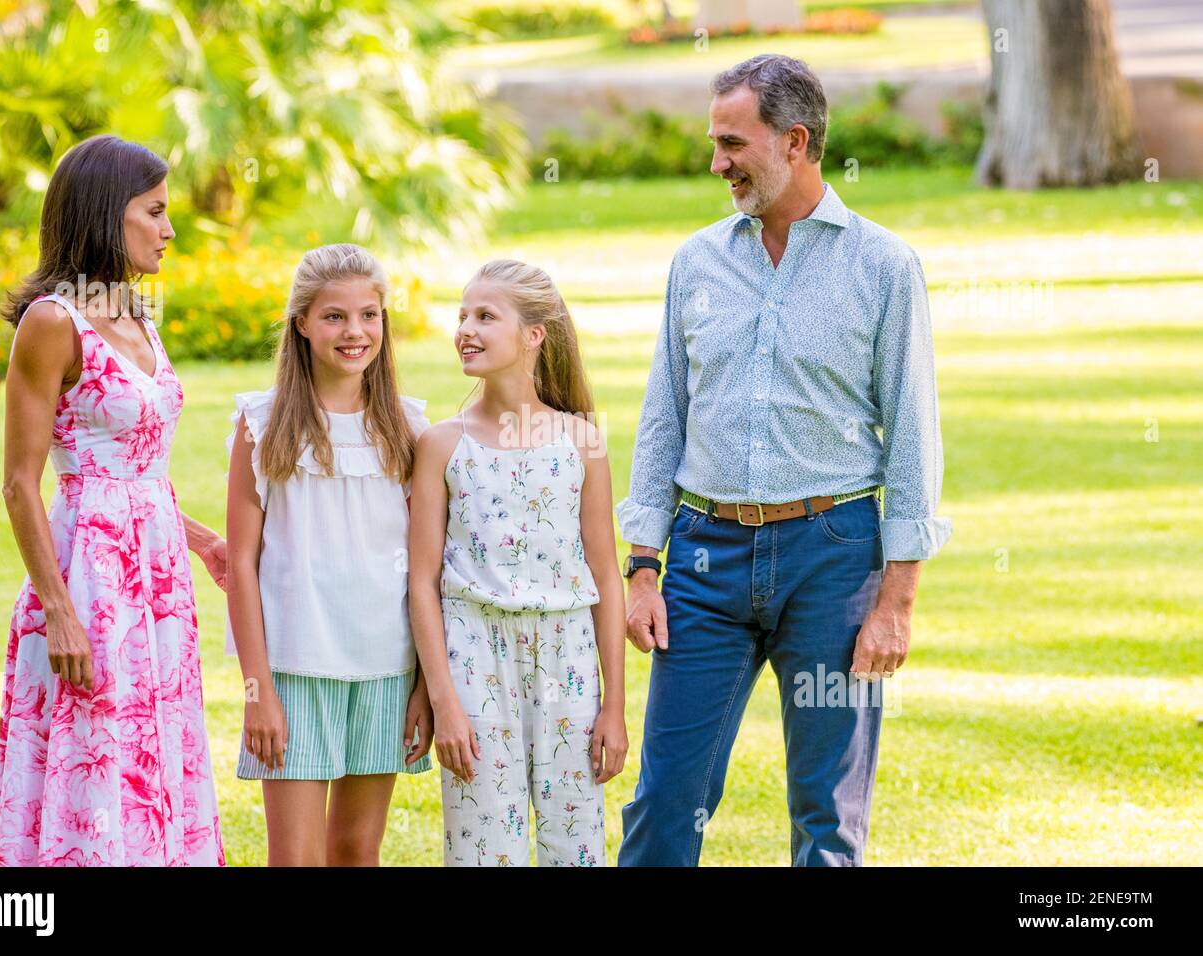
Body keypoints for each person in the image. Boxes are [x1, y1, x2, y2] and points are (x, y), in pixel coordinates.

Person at [616, 55, 953, 867]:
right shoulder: (696, 261)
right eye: (713, 142)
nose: (716, 163)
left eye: (732, 143)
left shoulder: (882, 266)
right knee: (666, 800)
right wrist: (641, 565)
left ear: (795, 140)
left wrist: (897, 600)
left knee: (827, 816)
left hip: (833, 558)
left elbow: (912, 435)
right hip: (703, 558)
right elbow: (664, 415)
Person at [0, 134, 226, 866]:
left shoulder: (137, 315)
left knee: (153, 744)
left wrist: (202, 539)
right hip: (89, 584)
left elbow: (136, 474)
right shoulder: (53, 323)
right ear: (104, 212)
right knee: (96, 748)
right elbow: (21, 483)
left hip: (158, 580)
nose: (169, 229)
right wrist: (58, 611)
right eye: (154, 212)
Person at [408, 260, 628, 867]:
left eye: (484, 316)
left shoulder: (581, 441)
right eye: (462, 316)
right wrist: (444, 700)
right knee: (484, 848)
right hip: (475, 657)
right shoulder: (442, 445)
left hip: (569, 659)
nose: (465, 330)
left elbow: (606, 578)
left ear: (534, 335)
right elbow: (422, 583)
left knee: (575, 844)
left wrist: (614, 704)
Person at [225, 244, 434, 866]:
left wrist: (423, 685)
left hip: (386, 670)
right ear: (302, 323)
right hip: (293, 670)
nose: (355, 332)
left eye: (369, 316)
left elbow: (426, 571)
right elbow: (240, 563)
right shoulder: (260, 424)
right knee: (295, 858)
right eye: (335, 317)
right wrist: (257, 689)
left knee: (355, 851)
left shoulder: (410, 425)